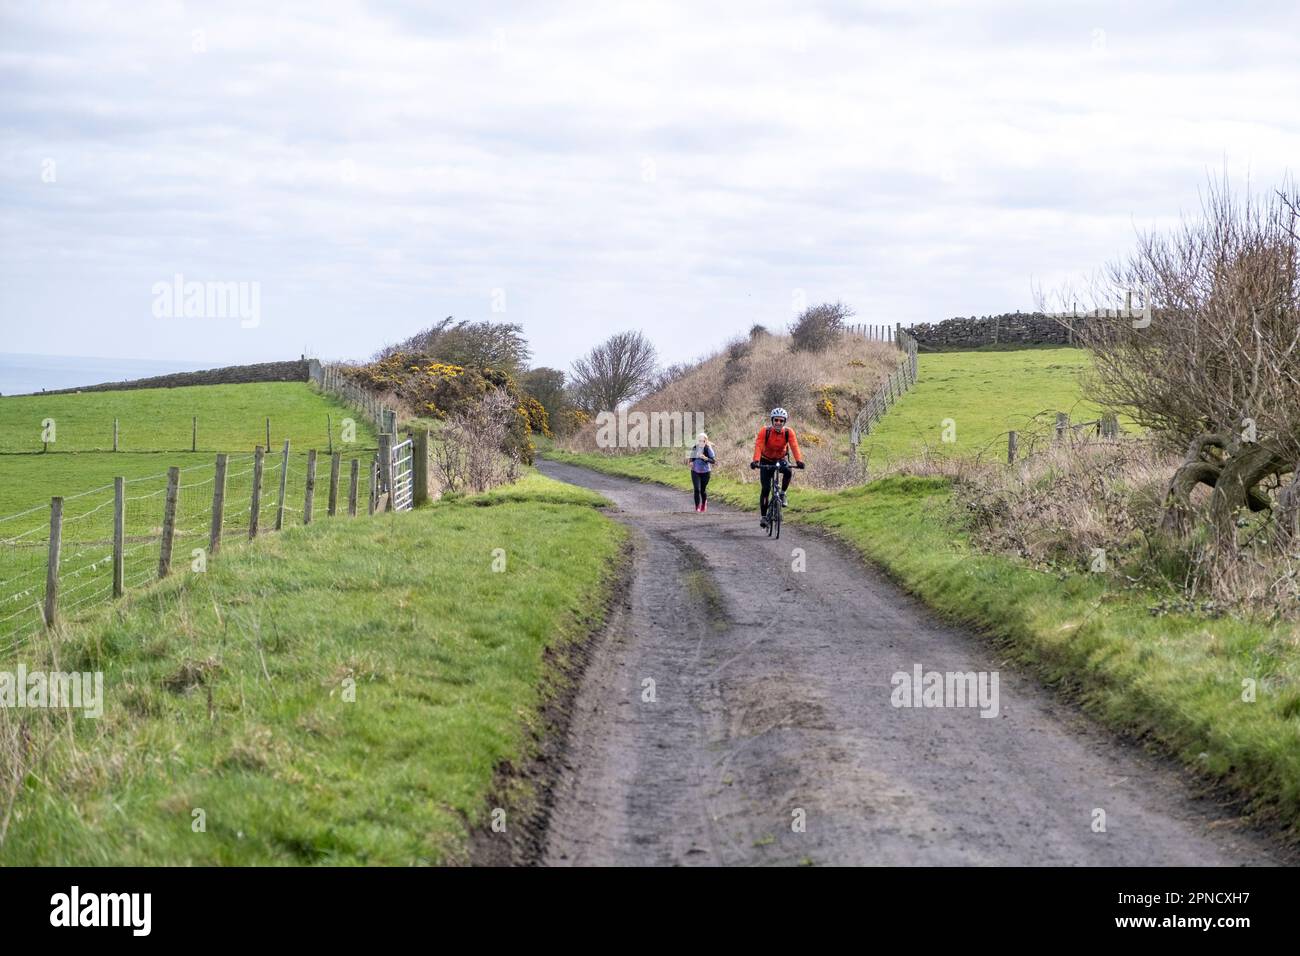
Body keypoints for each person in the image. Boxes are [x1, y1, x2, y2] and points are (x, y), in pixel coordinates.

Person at [749, 407, 805, 528]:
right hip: (766, 460)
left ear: (784, 421)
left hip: (780, 459)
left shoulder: (788, 432)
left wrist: (799, 461)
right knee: (765, 488)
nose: (778, 423)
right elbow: (759, 445)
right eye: (776, 420)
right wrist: (756, 461)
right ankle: (764, 517)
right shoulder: (765, 431)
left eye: (781, 420)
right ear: (772, 420)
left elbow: (794, 446)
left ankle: (783, 493)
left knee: (788, 471)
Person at [687, 431, 716, 512]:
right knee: (697, 489)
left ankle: (703, 503)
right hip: (695, 471)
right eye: (699, 440)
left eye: (702, 441)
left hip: (706, 472)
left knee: (702, 490)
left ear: (705, 441)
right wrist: (691, 462)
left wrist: (705, 458)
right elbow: (691, 459)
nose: (700, 442)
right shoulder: (695, 448)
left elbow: (713, 461)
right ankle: (697, 507)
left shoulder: (708, 449)